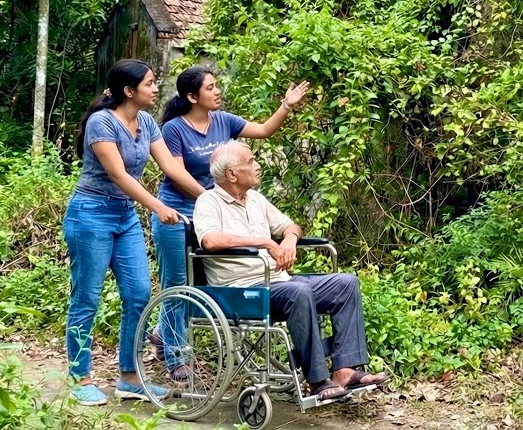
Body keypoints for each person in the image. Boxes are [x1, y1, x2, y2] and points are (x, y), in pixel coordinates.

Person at [193, 141, 389, 401]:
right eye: (251, 162)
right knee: (298, 291)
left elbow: (290, 225)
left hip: (278, 281)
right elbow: (210, 240)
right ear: (231, 174)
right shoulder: (208, 201)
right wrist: (264, 242)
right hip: (243, 290)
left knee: (345, 283)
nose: (257, 166)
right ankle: (317, 380)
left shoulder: (256, 200)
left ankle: (344, 371)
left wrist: (289, 240)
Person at [149, 66, 310, 380]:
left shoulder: (223, 120)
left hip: (216, 208)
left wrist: (286, 105)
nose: (217, 91)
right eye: (210, 87)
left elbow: (263, 130)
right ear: (192, 97)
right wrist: (213, 199)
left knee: (209, 282)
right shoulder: (174, 129)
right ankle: (175, 356)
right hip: (178, 214)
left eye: (216, 85)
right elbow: (176, 173)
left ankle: (162, 333)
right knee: (180, 283)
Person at [63, 59, 187, 407]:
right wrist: (158, 207)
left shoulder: (146, 122)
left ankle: (130, 378)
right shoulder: (102, 122)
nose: (156, 88)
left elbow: (170, 166)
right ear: (129, 91)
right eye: (149, 83)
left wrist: (209, 196)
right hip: (90, 214)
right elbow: (119, 175)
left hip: (125, 216)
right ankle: (80, 377)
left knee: (139, 294)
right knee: (87, 297)